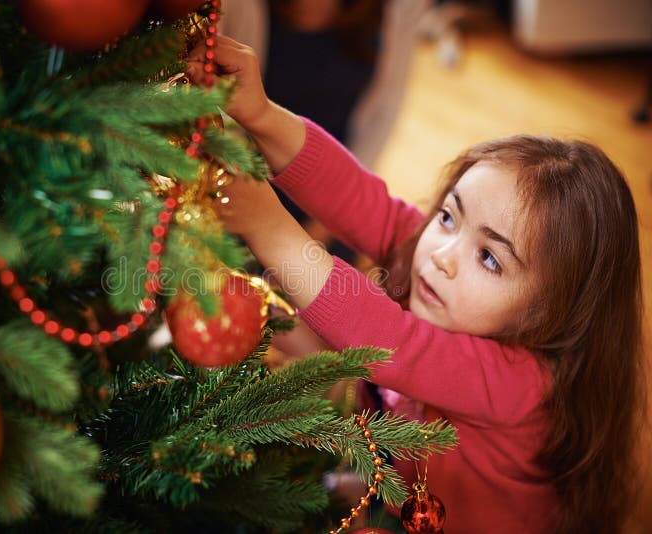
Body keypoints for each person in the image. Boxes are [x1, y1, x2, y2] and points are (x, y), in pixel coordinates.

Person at [186, 36, 646, 533]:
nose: (442, 255)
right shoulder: (444, 266)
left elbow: (392, 341)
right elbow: (364, 199)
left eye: (489, 258)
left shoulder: (524, 384)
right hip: (409, 473)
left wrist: (270, 229)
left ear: (550, 313)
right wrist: (263, 115)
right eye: (449, 216)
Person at [219, 0, 429, 264]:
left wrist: (328, 222)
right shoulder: (241, 8)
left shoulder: (398, 8)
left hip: (336, 179)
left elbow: (383, 112)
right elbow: (222, 114)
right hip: (243, 175)